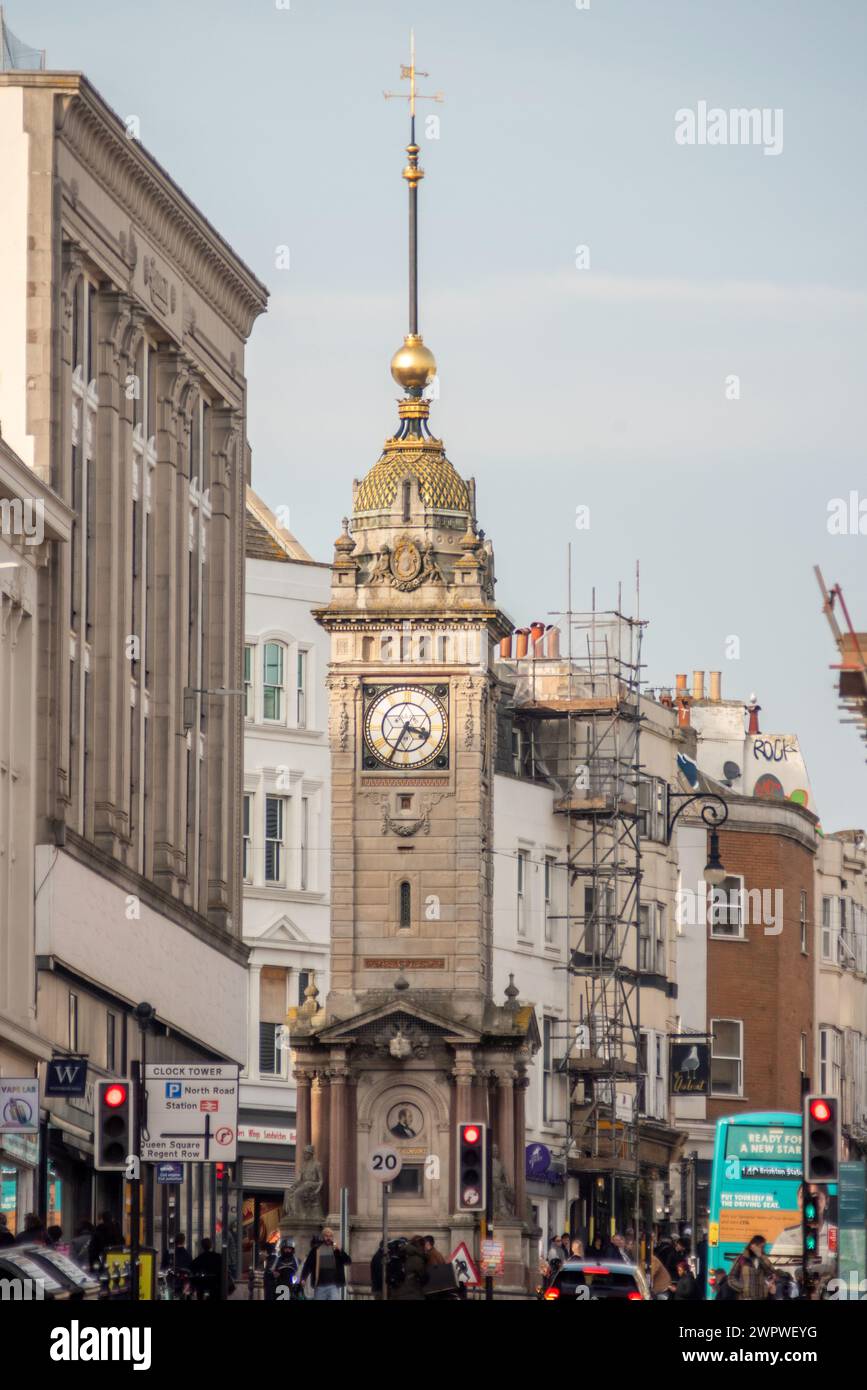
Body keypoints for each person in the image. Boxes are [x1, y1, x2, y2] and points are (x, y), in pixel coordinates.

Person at [300, 1226, 351, 1300]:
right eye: (326, 1236)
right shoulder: (316, 1249)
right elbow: (308, 1265)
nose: (328, 1238)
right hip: (320, 1286)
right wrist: (303, 1278)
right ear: (323, 1237)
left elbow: (348, 1261)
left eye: (330, 1236)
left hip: (333, 1285)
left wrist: (340, 1251)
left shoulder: (336, 1250)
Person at [727, 1235, 777, 1301]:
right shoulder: (742, 1258)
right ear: (752, 1245)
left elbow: (771, 1272)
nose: (760, 1249)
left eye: (762, 1247)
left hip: (762, 1297)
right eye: (759, 1246)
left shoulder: (764, 1259)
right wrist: (742, 1287)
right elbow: (731, 1277)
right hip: (746, 1298)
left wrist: (760, 1256)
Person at [389, 1234, 428, 1301]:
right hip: (412, 1293)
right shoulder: (416, 1259)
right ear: (421, 1245)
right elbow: (423, 1277)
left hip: (398, 1293)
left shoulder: (401, 1254)